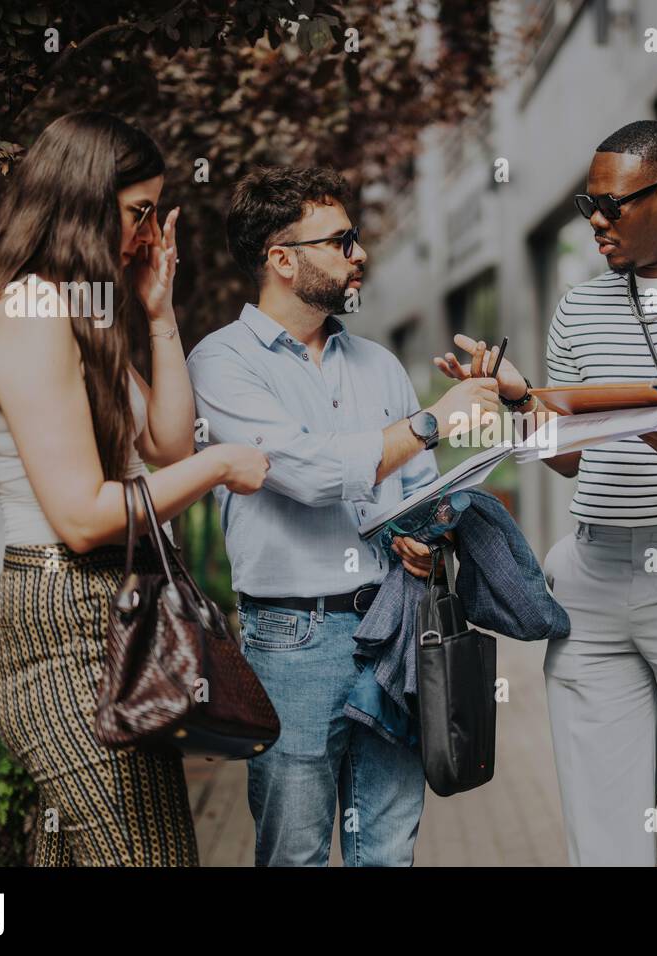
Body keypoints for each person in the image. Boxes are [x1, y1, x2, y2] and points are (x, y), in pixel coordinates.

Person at [436, 120, 657, 865]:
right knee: (602, 837)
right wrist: (516, 409)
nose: (596, 222)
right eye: (586, 206)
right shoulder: (577, 308)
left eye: (612, 205)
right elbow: (570, 462)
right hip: (591, 579)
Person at [0, 111, 269, 866]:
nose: (150, 233)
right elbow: (86, 517)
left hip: (112, 622)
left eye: (155, 212)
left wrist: (158, 311)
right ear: (85, 198)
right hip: (63, 629)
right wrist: (221, 468)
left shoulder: (77, 314)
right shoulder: (32, 314)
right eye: (138, 211)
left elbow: (167, 442)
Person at [187, 166, 498, 867]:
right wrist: (430, 422)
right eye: (342, 240)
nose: (359, 254)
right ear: (283, 259)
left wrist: (424, 536)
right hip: (291, 639)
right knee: (294, 854)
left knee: (387, 851)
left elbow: (410, 488)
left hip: (395, 625)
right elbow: (306, 473)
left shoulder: (378, 364)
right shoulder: (220, 363)